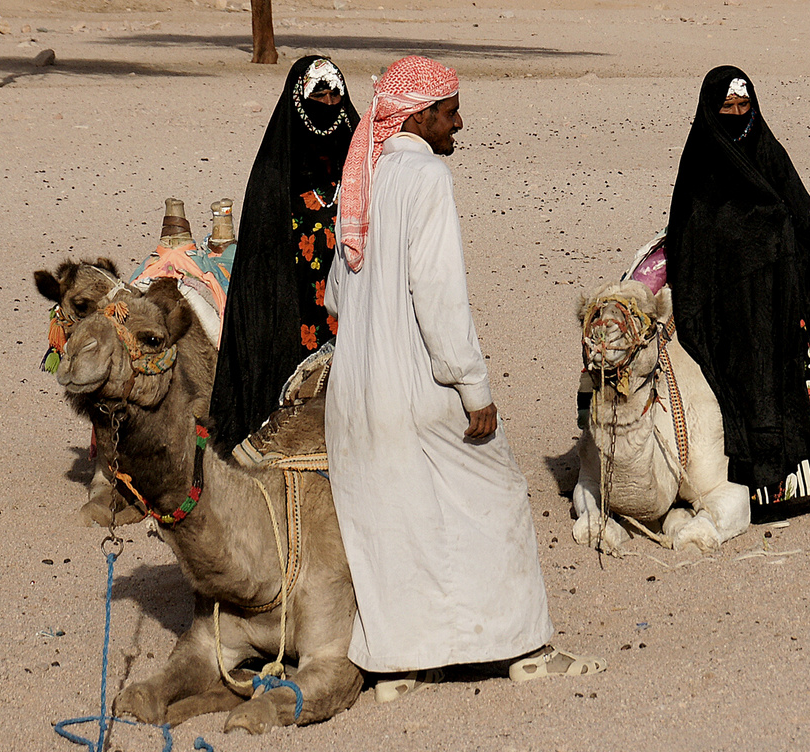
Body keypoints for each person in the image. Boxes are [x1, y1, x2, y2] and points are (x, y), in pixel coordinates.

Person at [325, 55, 603, 698]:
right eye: (450, 110)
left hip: (357, 391)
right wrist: (471, 386)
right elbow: (438, 294)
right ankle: (525, 649)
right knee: (499, 492)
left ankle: (400, 666)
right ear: (419, 114)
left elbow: (340, 293)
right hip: (418, 386)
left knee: (397, 521)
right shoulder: (424, 176)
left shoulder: (365, 171)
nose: (459, 123)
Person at [664, 65, 810, 524]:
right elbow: (692, 243)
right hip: (732, 317)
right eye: (726, 107)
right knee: (747, 397)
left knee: (804, 389)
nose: (737, 114)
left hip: (785, 306)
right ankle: (763, 499)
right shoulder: (702, 169)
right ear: (710, 112)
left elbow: (802, 213)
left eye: (744, 106)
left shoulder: (767, 152)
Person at [208, 54, 359, 455]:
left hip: (351, 303)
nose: (328, 105)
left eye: (334, 95)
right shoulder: (276, 172)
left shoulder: (358, 161)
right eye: (318, 96)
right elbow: (261, 262)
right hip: (293, 306)